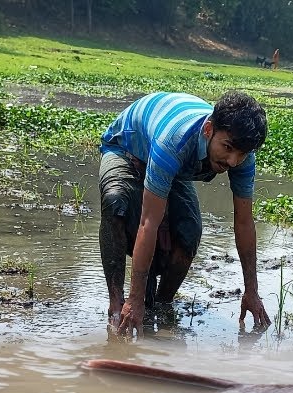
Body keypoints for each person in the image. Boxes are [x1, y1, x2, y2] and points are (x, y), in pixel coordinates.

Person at [97, 90, 271, 334]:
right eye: (228, 147)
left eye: (241, 154)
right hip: (127, 148)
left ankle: (161, 305)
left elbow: (244, 223)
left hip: (173, 161)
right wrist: (134, 300)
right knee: (116, 203)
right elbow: (149, 223)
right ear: (209, 129)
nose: (232, 161)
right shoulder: (175, 142)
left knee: (189, 230)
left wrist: (251, 292)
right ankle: (116, 307)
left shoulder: (242, 157)